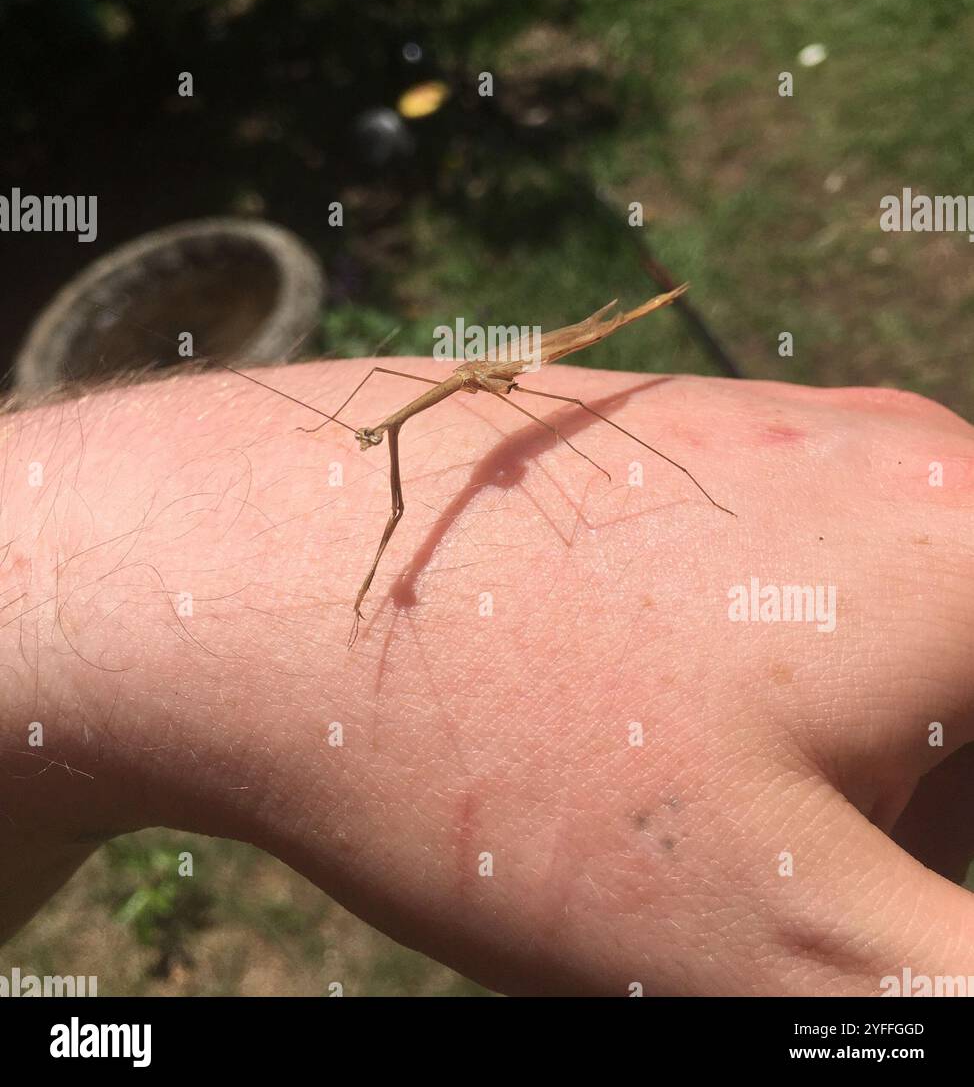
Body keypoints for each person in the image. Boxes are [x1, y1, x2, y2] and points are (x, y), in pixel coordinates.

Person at [1, 360, 972, 995]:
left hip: (523, 397)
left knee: (600, 419)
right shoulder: (397, 401)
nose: (377, 439)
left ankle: (688, 487)